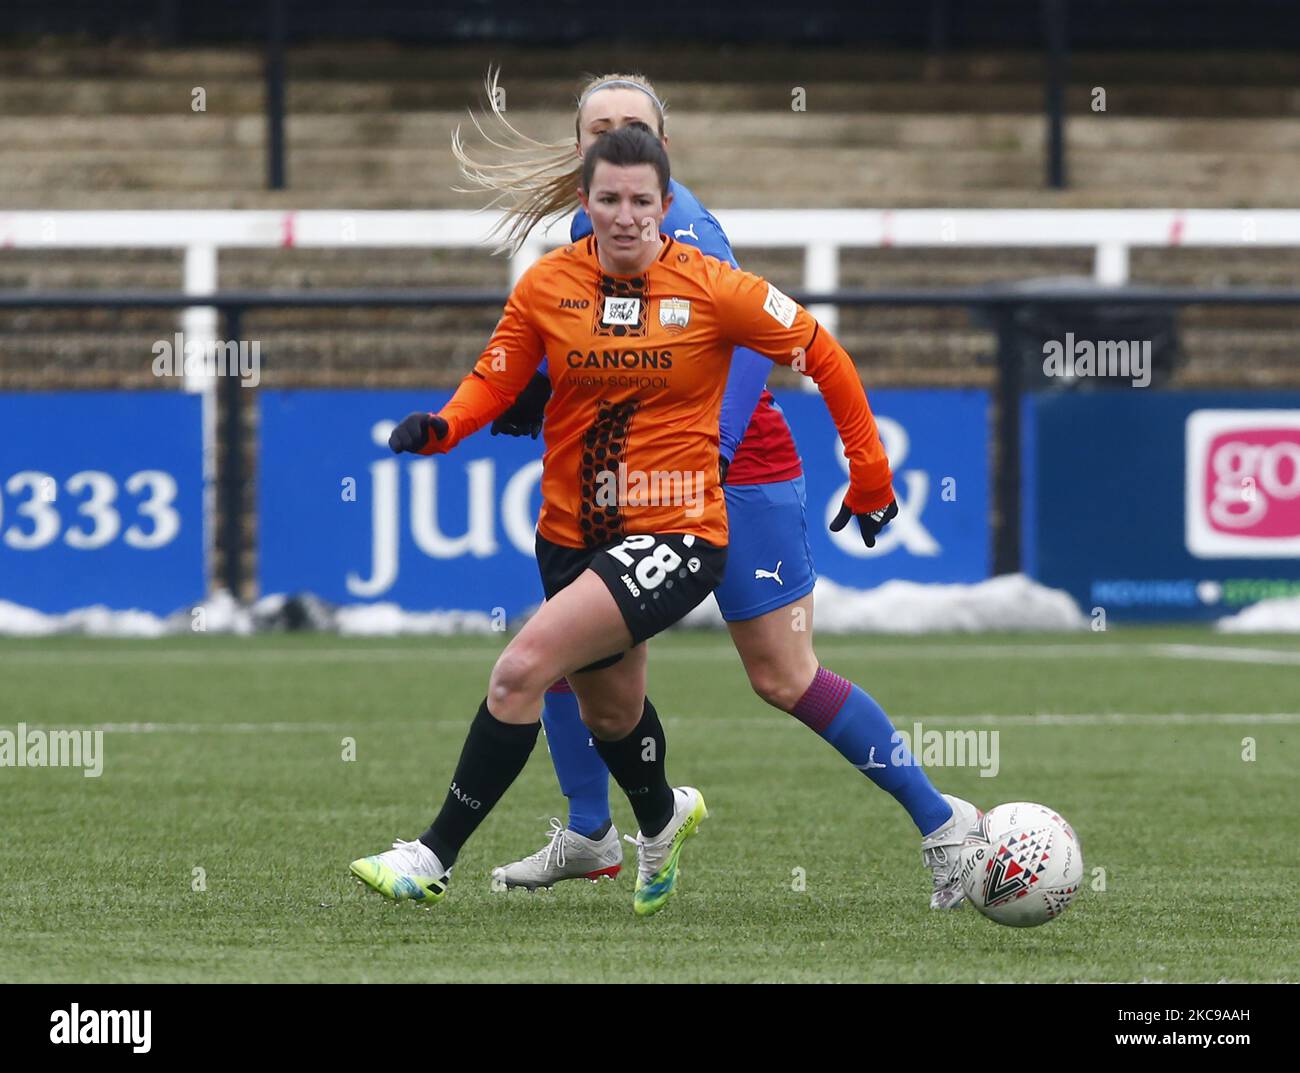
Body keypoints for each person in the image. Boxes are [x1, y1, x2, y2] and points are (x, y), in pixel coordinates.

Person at [454, 72, 980, 909]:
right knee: (560, 650)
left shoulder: (684, 222)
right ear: (579, 144)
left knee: (783, 675)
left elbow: (747, 351)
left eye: (634, 124)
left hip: (736, 474)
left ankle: (946, 824)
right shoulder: (584, 224)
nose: (616, 135)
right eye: (601, 126)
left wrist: (715, 454)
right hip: (631, 481)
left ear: (666, 146)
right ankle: (591, 832)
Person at [349, 125, 899, 917]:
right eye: (610, 198)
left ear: (666, 205)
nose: (627, 214)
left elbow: (823, 354)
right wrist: (444, 428)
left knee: (521, 669)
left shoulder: (715, 286)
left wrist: (870, 469)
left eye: (643, 200)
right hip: (572, 533)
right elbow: (495, 378)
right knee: (611, 713)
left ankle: (431, 855)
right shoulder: (546, 286)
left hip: (678, 532)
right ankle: (660, 815)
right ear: (585, 203)